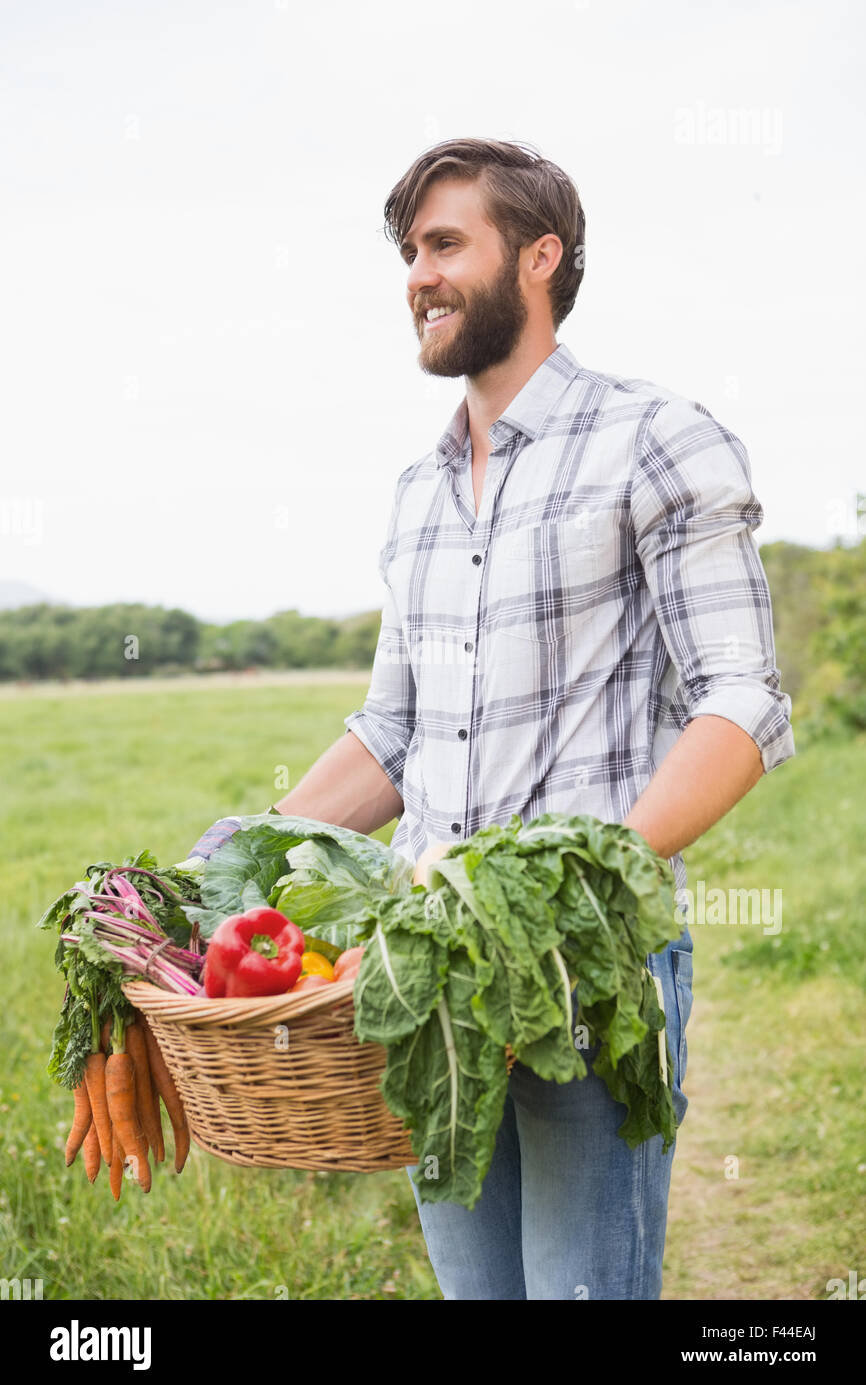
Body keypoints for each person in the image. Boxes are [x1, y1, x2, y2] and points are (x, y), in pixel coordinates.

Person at [190, 137, 795, 1300]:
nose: (416, 273)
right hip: (425, 988)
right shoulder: (417, 496)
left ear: (538, 256)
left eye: (444, 244)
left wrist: (587, 875)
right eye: (408, 251)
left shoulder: (652, 437)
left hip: (583, 973)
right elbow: (391, 736)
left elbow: (741, 695)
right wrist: (228, 868)